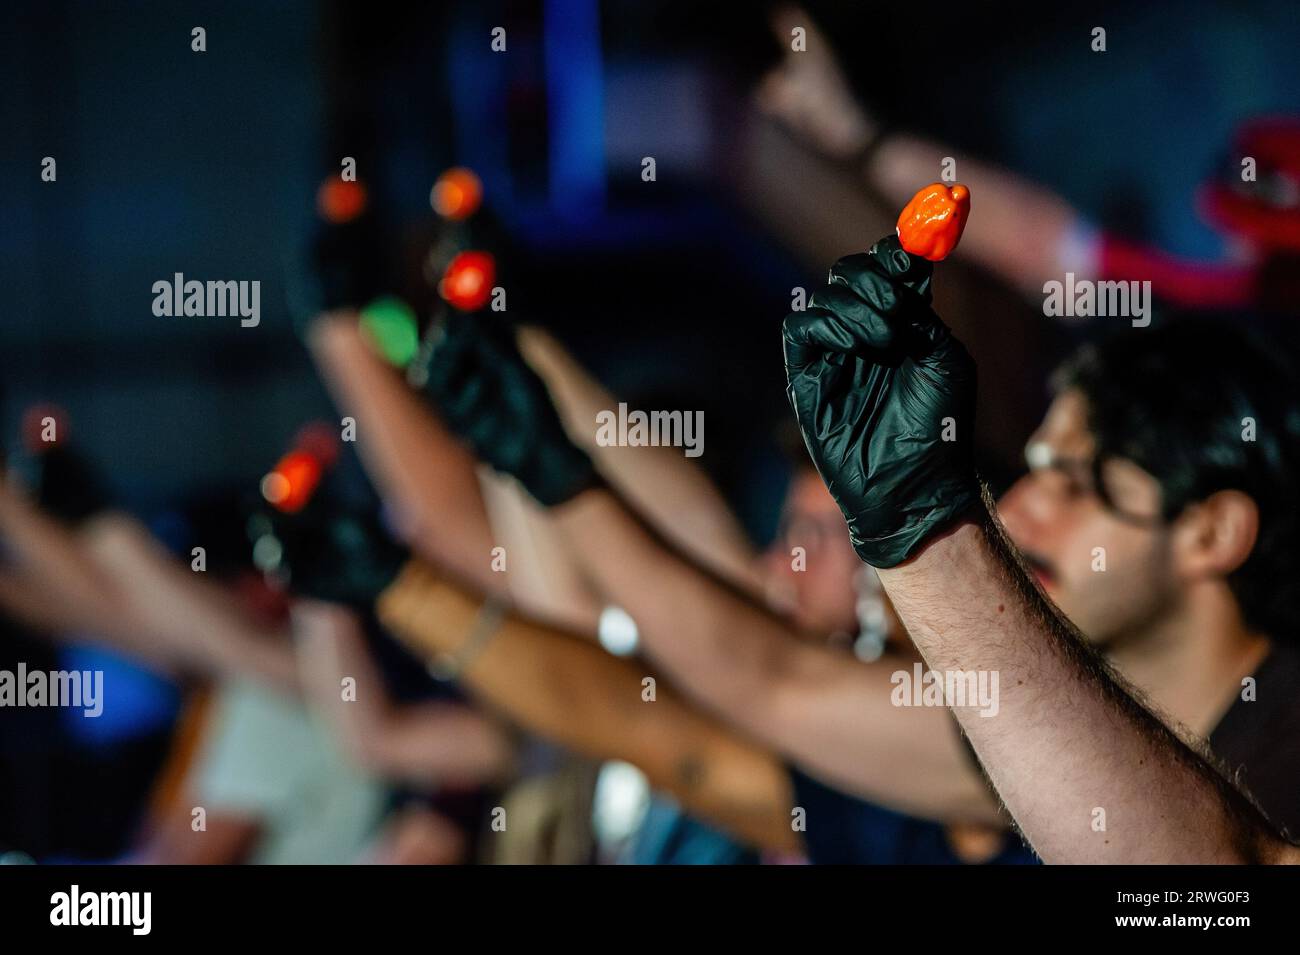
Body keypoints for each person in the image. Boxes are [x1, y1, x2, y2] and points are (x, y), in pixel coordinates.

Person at [778, 235, 1300, 861]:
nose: (1018, 510)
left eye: (1074, 485)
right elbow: (767, 684)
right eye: (1032, 472)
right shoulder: (1079, 724)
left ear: (1214, 533)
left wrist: (923, 521)